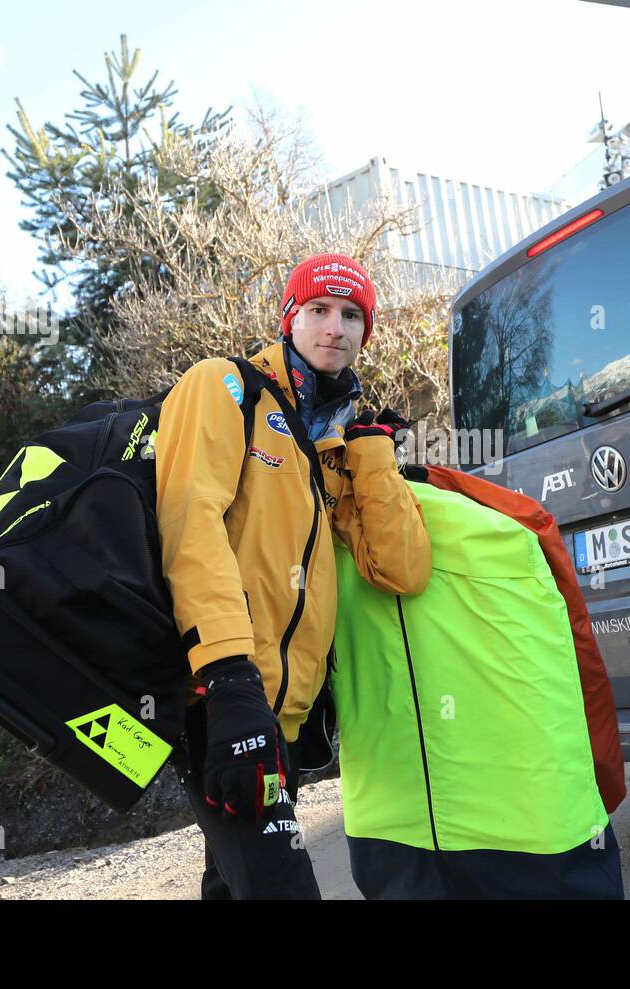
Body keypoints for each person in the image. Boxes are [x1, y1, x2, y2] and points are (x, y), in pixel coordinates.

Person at [154, 252, 432, 899]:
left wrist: (370, 453)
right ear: (289, 317)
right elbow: (189, 526)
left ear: (367, 331)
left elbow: (401, 568)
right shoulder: (226, 389)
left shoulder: (332, 450)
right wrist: (229, 683)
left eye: (352, 315)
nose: (334, 327)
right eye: (318, 310)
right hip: (217, 697)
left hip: (282, 716)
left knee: (232, 885)